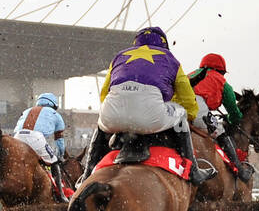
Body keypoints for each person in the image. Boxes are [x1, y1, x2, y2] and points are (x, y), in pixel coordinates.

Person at [87, 25, 216, 185]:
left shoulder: (120, 56)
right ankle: (193, 170)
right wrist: (189, 115)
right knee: (181, 112)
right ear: (163, 44)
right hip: (151, 115)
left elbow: (104, 93)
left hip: (113, 113)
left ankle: (87, 173)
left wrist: (119, 113)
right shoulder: (170, 58)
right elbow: (188, 99)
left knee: (101, 124)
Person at [187, 53, 255, 182]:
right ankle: (241, 171)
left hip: (174, 109)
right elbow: (234, 111)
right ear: (222, 71)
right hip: (197, 109)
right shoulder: (222, 82)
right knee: (221, 132)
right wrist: (232, 120)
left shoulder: (191, 74)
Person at [12, 92, 69, 197]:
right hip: (35, 137)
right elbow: (59, 141)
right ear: (54, 105)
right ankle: (61, 195)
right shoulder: (55, 115)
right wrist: (60, 155)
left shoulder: (27, 111)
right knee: (54, 162)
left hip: (17, 137)